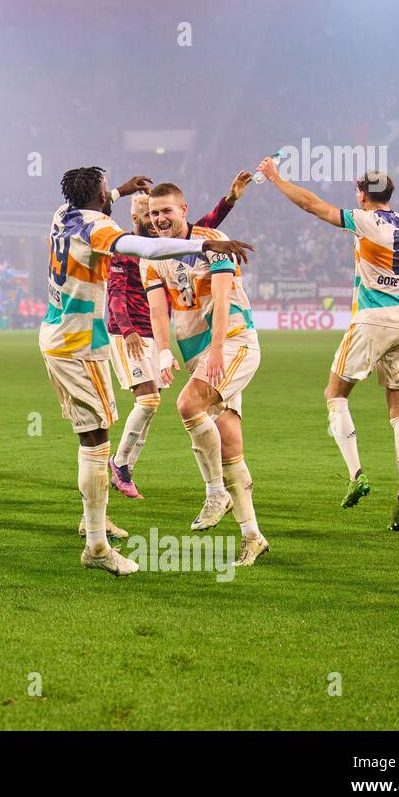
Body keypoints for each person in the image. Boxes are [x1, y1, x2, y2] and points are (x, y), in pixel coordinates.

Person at [42, 168, 255, 574]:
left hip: (54, 335)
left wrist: (123, 189)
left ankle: (97, 524)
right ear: (98, 198)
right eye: (109, 192)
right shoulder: (100, 229)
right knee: (97, 440)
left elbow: (163, 231)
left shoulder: (62, 214)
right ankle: (97, 543)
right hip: (80, 343)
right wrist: (211, 248)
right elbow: (150, 249)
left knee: (97, 434)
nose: (115, 198)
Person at [258, 158, 399, 531]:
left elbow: (311, 205)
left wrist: (275, 178)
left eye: (357, 191)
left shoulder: (364, 220)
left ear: (363, 195)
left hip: (373, 319)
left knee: (336, 394)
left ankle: (356, 473)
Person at [105, 171, 250, 500]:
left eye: (156, 213)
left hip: (155, 334)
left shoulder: (172, 245)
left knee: (169, 404)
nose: (151, 220)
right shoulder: (129, 249)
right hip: (128, 333)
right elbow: (115, 293)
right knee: (151, 399)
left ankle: (230, 492)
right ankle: (121, 463)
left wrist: (231, 199)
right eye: (146, 214)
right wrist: (127, 330)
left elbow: (204, 232)